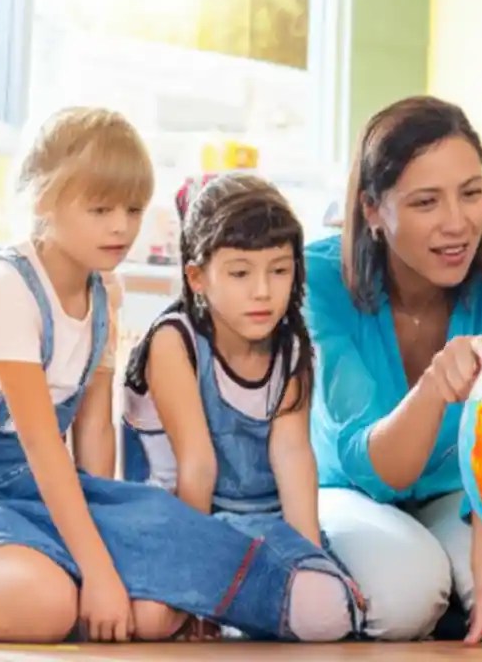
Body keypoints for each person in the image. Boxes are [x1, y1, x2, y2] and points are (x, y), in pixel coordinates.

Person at [0, 107, 358, 643]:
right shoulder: (8, 288)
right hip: (5, 488)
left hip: (47, 493)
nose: (121, 226)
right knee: (46, 608)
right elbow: (45, 446)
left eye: (134, 208)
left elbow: (92, 433)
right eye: (100, 208)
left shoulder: (105, 292)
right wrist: (99, 571)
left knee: (154, 615)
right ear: (43, 199)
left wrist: (114, 541)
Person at [304, 96, 482, 642]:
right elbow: (375, 465)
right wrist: (436, 387)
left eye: (471, 193)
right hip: (351, 486)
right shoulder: (317, 279)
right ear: (373, 209)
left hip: (457, 492)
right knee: (404, 601)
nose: (457, 224)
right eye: (425, 203)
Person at [120, 173, 362, 639]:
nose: (262, 291)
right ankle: (240, 604)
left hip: (263, 526)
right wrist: (196, 583)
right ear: (197, 278)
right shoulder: (175, 342)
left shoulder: (291, 347)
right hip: (183, 517)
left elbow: (292, 457)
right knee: (151, 622)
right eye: (239, 273)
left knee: (329, 611)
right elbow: (197, 466)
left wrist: (313, 554)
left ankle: (258, 602)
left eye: (279, 270)